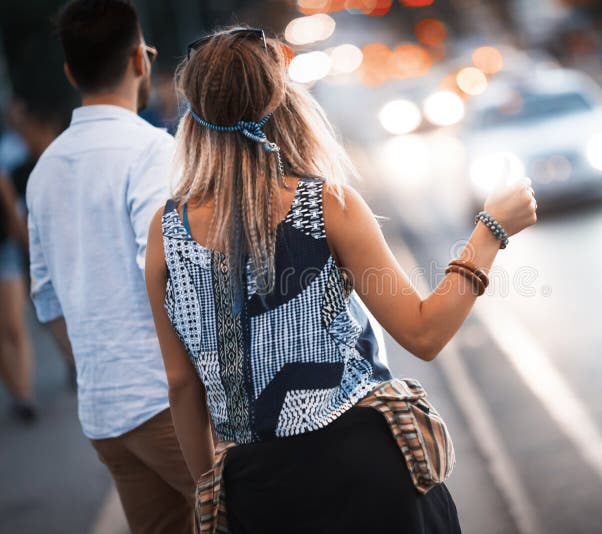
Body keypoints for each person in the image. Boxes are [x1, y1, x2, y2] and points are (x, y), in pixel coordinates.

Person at [144, 28, 537, 533]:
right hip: (367, 476)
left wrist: (214, 490)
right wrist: (492, 230)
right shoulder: (326, 204)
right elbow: (424, 333)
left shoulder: (166, 231)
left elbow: (181, 386)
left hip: (258, 491)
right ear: (281, 98)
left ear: (193, 113)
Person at [26, 1, 194, 532]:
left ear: (72, 72)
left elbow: (46, 297)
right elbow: (170, 275)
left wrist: (99, 369)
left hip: (103, 416)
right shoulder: (151, 150)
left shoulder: (45, 168)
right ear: (141, 61)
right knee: (252, 515)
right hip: (165, 403)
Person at [0, 171, 36, 422]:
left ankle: (25, 395)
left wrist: (29, 248)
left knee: (14, 326)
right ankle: (17, 394)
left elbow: (11, 210)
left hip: (5, 253)